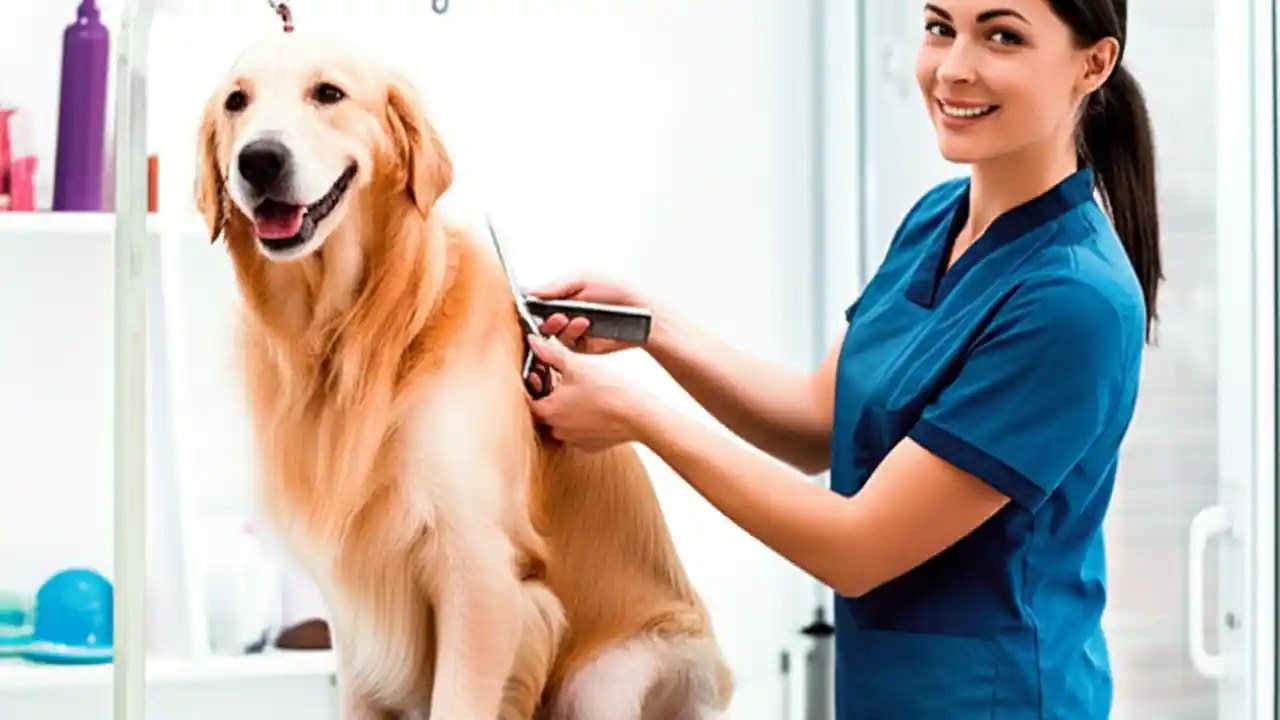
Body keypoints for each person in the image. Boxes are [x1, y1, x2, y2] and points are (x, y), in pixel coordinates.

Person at [523, 0, 1159, 717]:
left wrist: (637, 417)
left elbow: (856, 549)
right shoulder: (936, 220)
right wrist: (653, 330)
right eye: (940, 28)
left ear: (1093, 63)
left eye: (1002, 36)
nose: (952, 69)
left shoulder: (1074, 302)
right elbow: (812, 423)